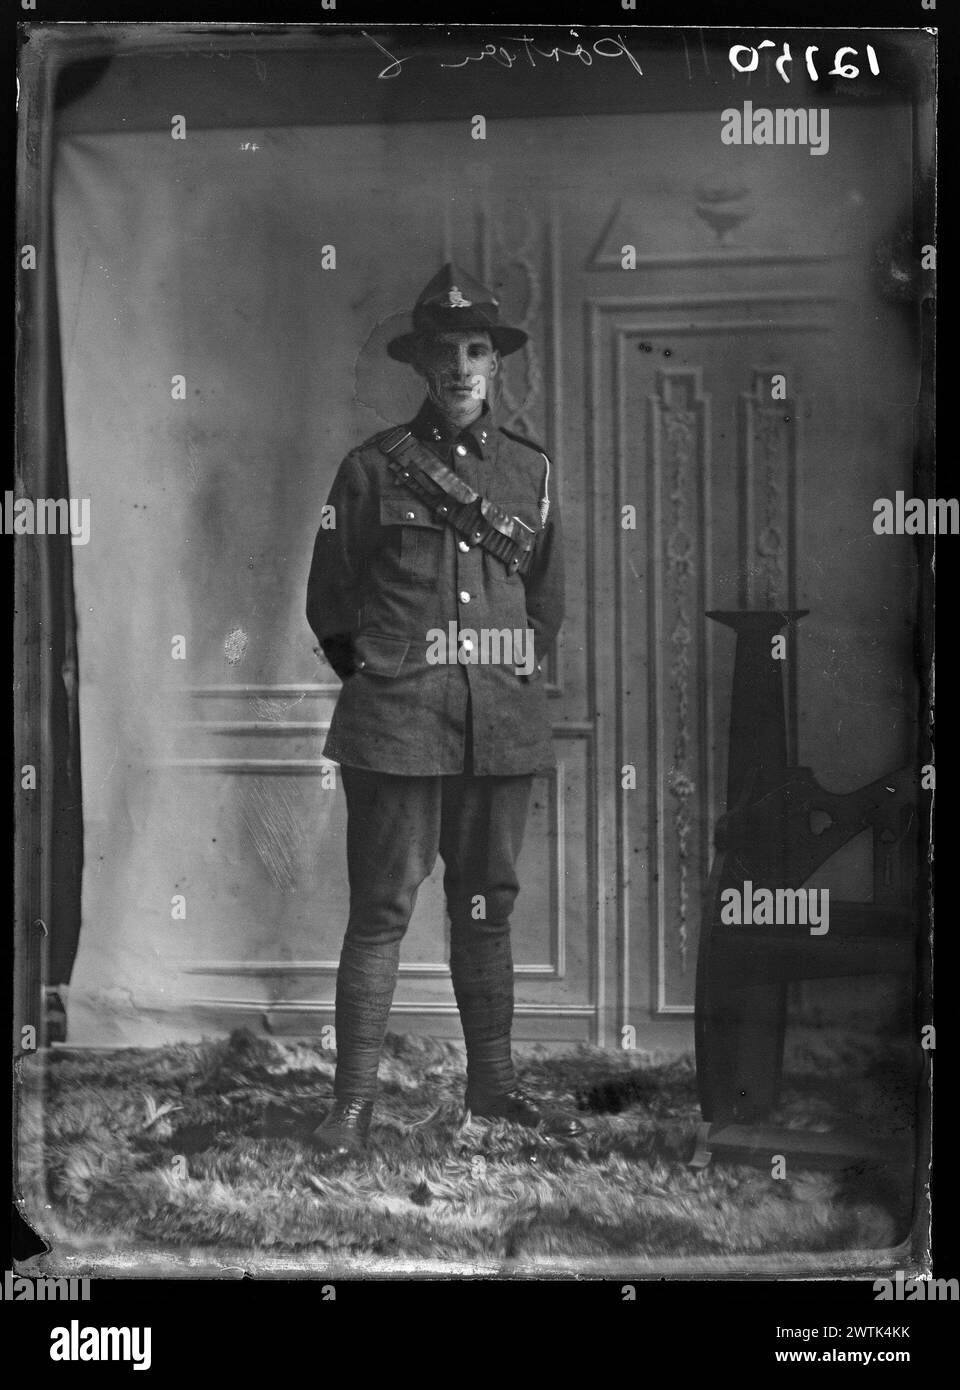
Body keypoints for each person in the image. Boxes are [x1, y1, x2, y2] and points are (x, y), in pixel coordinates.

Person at [305, 263, 583, 1159]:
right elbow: (330, 601)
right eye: (444, 352)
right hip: (395, 726)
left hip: (497, 727)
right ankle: (351, 1107)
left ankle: (494, 1091)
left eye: (477, 350)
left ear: (495, 364)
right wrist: (385, 679)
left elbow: (544, 604)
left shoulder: (530, 474)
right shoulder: (367, 468)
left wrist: (502, 677)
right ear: (421, 365)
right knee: (380, 913)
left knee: (486, 910)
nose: (461, 367)